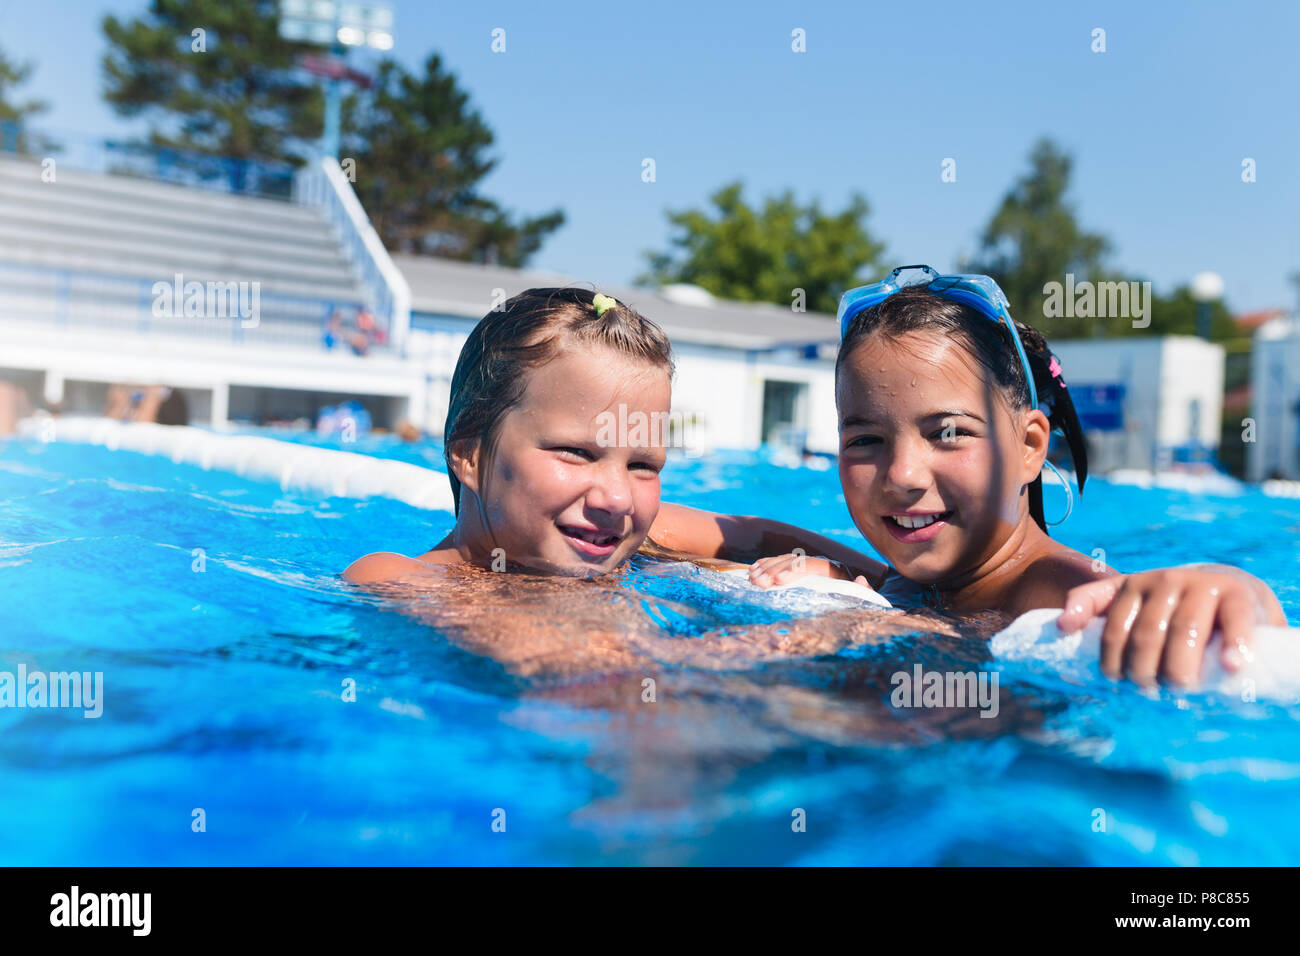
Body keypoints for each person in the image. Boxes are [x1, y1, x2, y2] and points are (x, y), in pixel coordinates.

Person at [649, 266, 1288, 686]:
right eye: (865, 439)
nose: (901, 474)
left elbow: (1136, 600)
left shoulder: (1047, 588)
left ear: (1032, 446)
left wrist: (1226, 586)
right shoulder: (917, 581)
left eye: (948, 432)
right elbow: (750, 533)